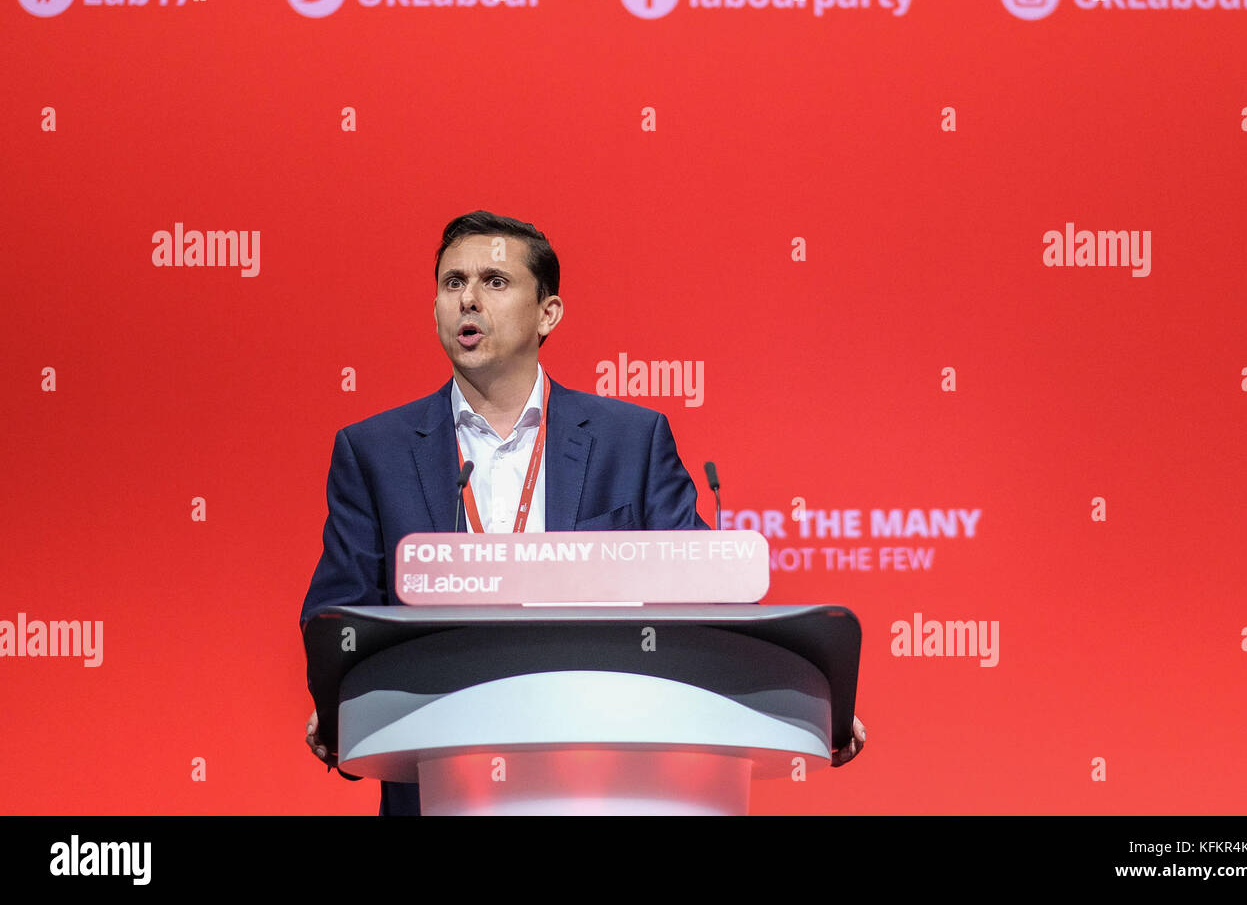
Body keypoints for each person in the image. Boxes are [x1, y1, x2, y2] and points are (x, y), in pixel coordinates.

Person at [301, 210, 864, 815]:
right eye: (451, 283)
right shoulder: (374, 450)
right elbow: (336, 613)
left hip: (612, 778)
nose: (467, 299)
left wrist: (806, 695)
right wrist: (344, 699)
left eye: (494, 282)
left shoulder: (633, 440)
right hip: (440, 778)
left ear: (549, 313)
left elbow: (708, 599)